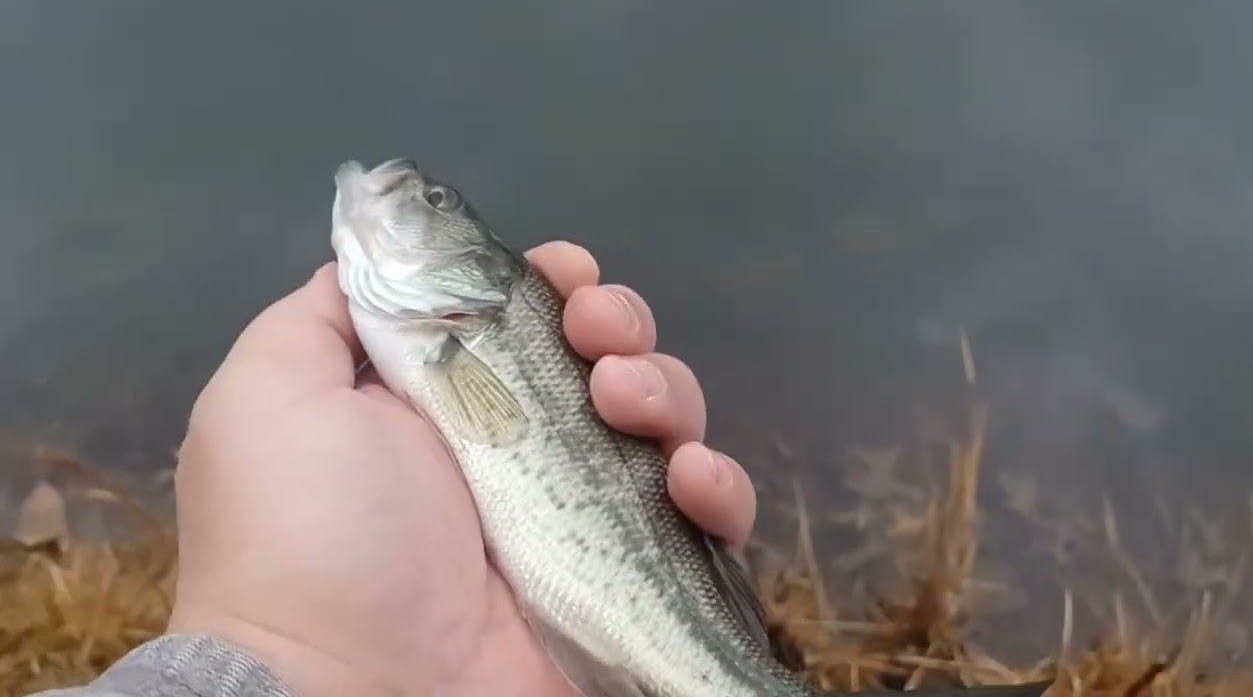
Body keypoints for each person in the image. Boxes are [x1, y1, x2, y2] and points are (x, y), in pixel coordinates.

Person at [37, 242, 759, 697]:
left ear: (468, 265)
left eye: (435, 207)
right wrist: (280, 646)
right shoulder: (412, 320)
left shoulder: (447, 322)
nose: (410, 192)